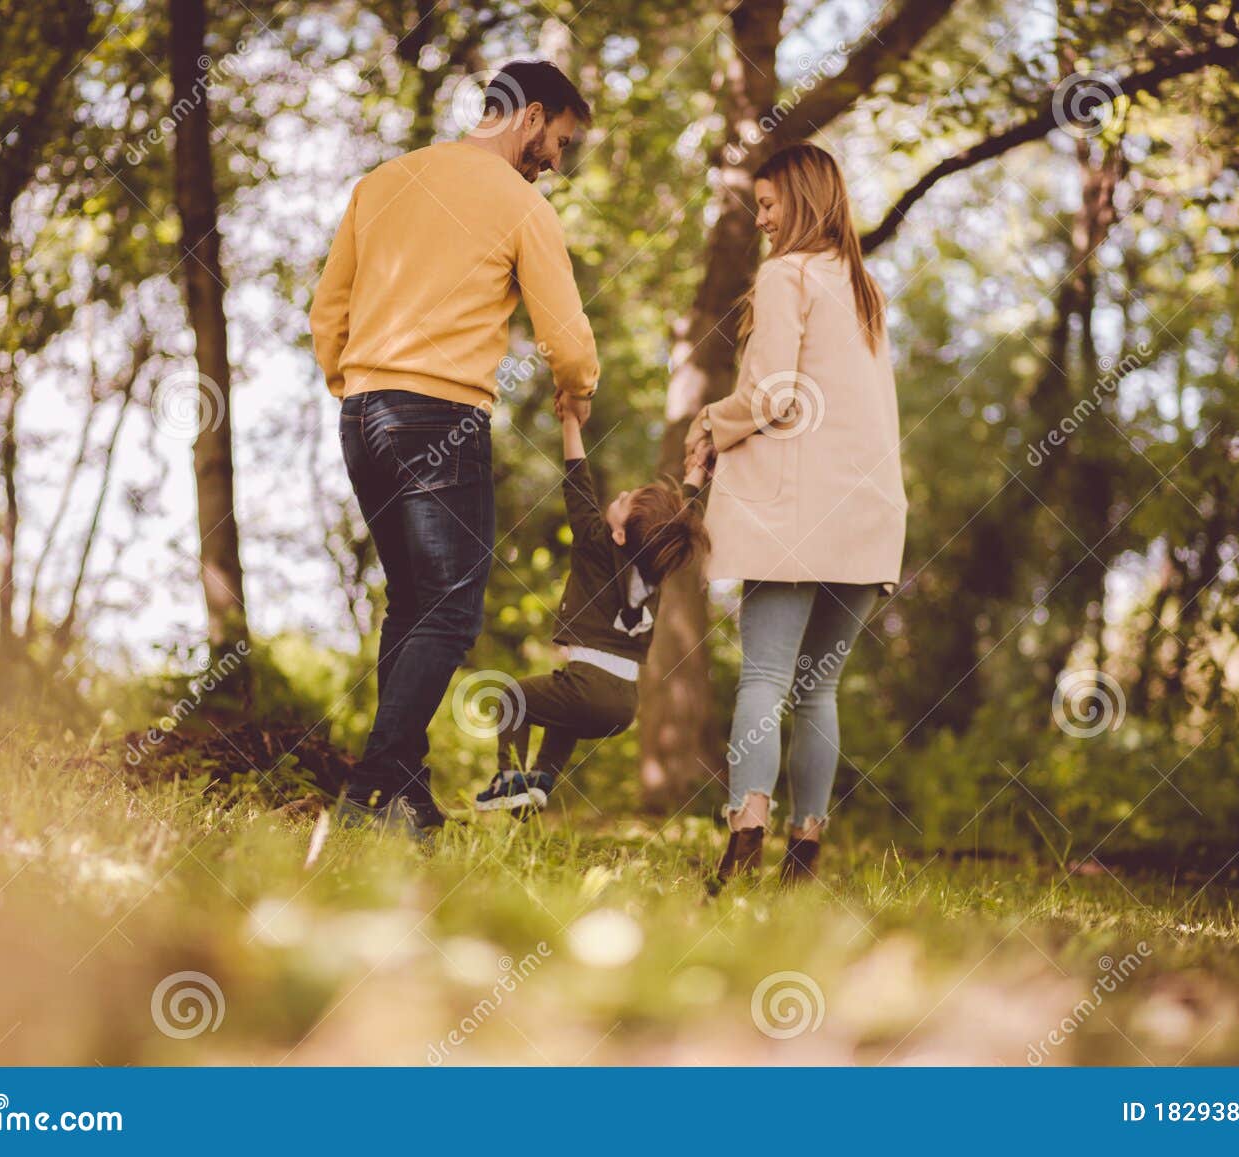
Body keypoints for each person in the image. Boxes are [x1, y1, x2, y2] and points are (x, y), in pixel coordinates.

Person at [309, 61, 600, 833]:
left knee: (410, 604)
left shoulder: (384, 181)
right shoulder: (519, 204)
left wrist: (355, 382)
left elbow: (327, 309)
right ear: (530, 115)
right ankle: (369, 788)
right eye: (560, 141)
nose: (556, 160)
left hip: (363, 415)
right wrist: (580, 389)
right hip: (441, 418)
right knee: (450, 612)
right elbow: (566, 340)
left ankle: (405, 797)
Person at [685, 142, 907, 886]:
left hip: (796, 515)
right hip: (870, 517)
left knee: (766, 676)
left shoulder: (789, 275)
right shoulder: (864, 288)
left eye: (772, 202)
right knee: (818, 687)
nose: (763, 217)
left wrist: (709, 423)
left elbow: (774, 394)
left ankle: (747, 828)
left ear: (806, 199)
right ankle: (806, 843)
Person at [475, 405, 710, 815]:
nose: (618, 495)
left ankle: (509, 777)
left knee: (513, 696)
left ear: (619, 534)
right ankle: (541, 782)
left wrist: (569, 422)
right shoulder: (657, 566)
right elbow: (677, 520)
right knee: (564, 716)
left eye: (623, 501)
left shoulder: (595, 543)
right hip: (623, 705)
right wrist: (697, 475)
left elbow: (577, 485)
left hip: (589, 685)